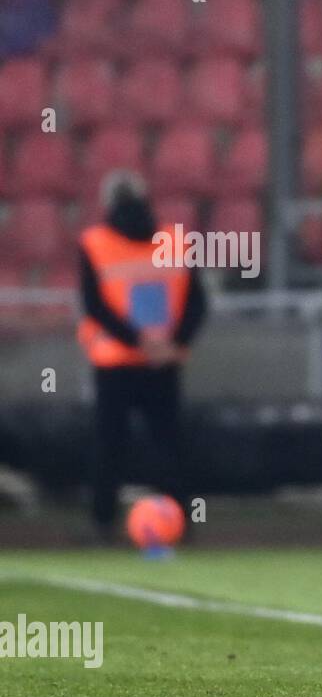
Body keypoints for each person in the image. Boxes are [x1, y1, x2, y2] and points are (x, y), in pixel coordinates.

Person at [78, 171, 206, 541]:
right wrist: (173, 343)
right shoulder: (175, 241)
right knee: (169, 444)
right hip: (163, 361)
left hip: (115, 359)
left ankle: (103, 522)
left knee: (109, 444)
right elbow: (197, 303)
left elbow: (94, 306)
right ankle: (182, 522)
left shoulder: (95, 242)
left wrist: (137, 341)